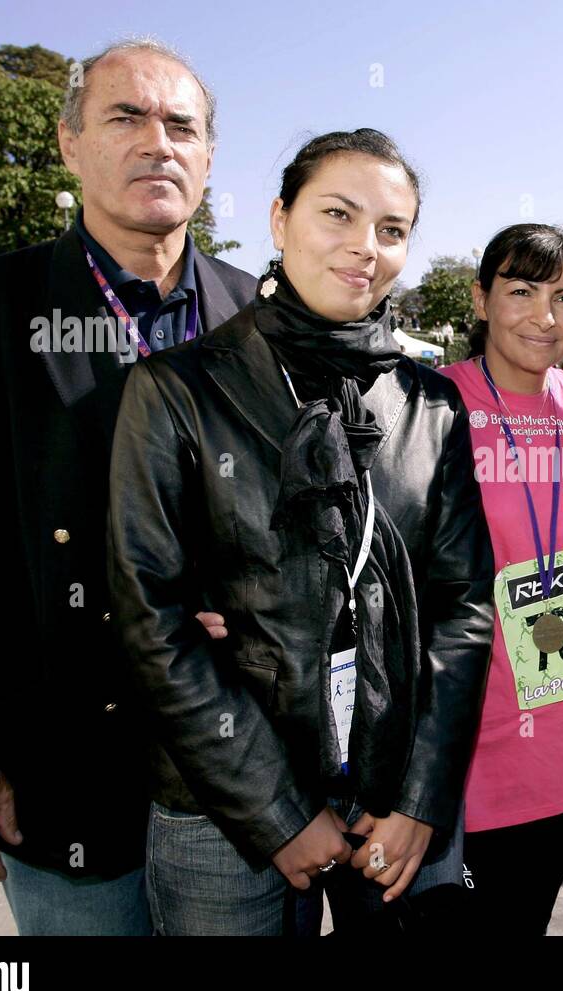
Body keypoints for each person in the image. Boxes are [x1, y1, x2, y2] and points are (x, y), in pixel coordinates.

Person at [0, 38, 256, 936]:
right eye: (125, 117)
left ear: (208, 158)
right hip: (62, 775)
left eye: (181, 126)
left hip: (238, 780)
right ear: (69, 143)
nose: (157, 143)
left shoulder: (260, 317)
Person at [107, 128, 494, 936]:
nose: (366, 248)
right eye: (338, 215)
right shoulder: (177, 390)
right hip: (225, 805)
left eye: (392, 231)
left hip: (392, 800)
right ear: (280, 220)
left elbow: (463, 605)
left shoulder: (431, 404)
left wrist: (421, 797)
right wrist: (277, 811)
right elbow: (154, 616)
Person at [440, 224, 563, 935]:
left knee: (526, 921)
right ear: (481, 299)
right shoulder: (433, 404)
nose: (545, 317)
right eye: (520, 291)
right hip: (470, 737)